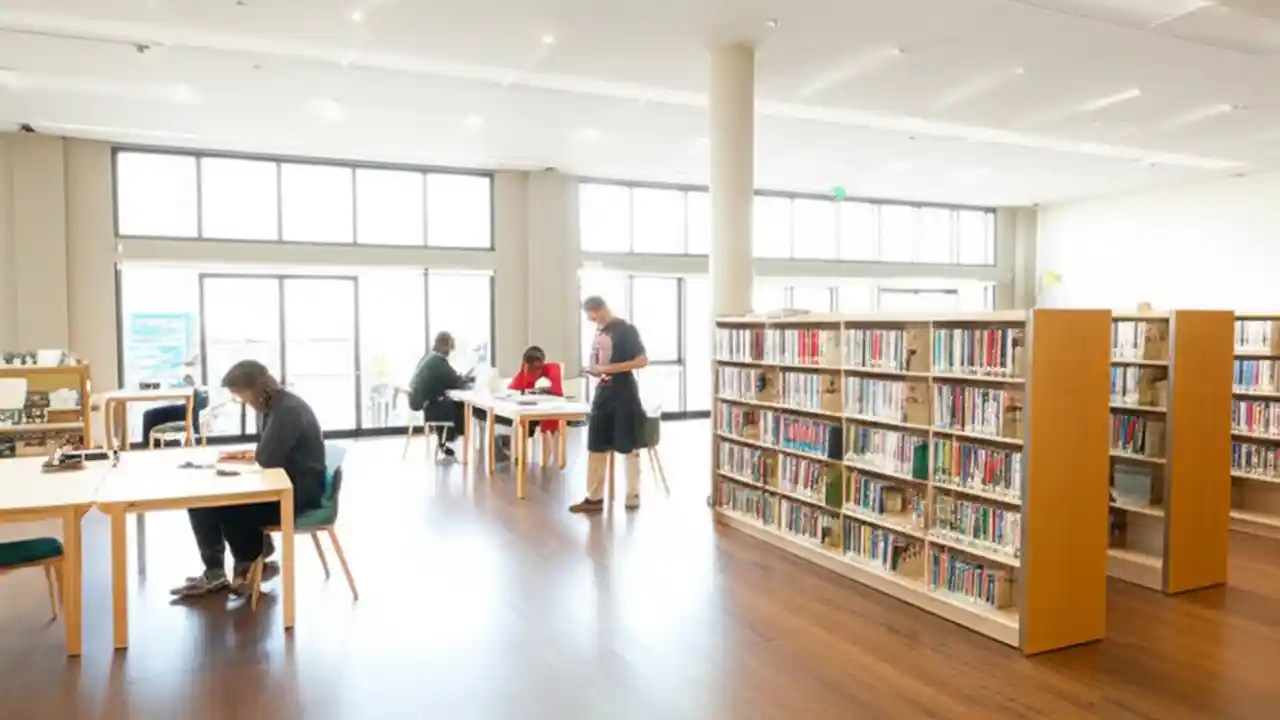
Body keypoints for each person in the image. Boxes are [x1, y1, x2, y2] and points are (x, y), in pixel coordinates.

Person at [170, 360, 326, 596]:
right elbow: (267, 454)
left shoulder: (286, 411)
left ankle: (247, 563)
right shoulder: (273, 407)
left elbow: (267, 457)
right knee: (205, 499)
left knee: (217, 504)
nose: (238, 399)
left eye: (238, 393)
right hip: (286, 483)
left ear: (253, 389)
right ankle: (242, 562)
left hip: (297, 495)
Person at [570, 296, 648, 514]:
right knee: (596, 445)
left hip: (624, 395)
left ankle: (633, 495)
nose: (589, 319)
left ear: (600, 309)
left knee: (628, 445)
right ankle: (594, 498)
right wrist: (595, 370)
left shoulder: (625, 330)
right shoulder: (600, 332)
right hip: (603, 394)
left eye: (591, 314)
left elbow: (641, 360)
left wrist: (610, 369)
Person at [476, 346, 564, 462]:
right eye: (531, 368)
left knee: (549, 425)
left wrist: (541, 389)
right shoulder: (522, 376)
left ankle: (549, 462)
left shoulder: (552, 369)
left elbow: (557, 392)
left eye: (538, 367)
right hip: (527, 413)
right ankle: (516, 457)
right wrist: (529, 379)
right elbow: (510, 395)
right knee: (518, 423)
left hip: (549, 410)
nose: (536, 372)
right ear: (525, 365)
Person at [408, 331, 473, 458]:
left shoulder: (429, 358)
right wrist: (469, 380)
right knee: (464, 407)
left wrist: (461, 379)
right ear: (445, 345)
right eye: (450, 347)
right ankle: (458, 440)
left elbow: (450, 378)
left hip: (424, 403)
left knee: (449, 402)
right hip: (431, 407)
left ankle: (443, 441)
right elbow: (455, 381)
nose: (450, 351)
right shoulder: (438, 362)